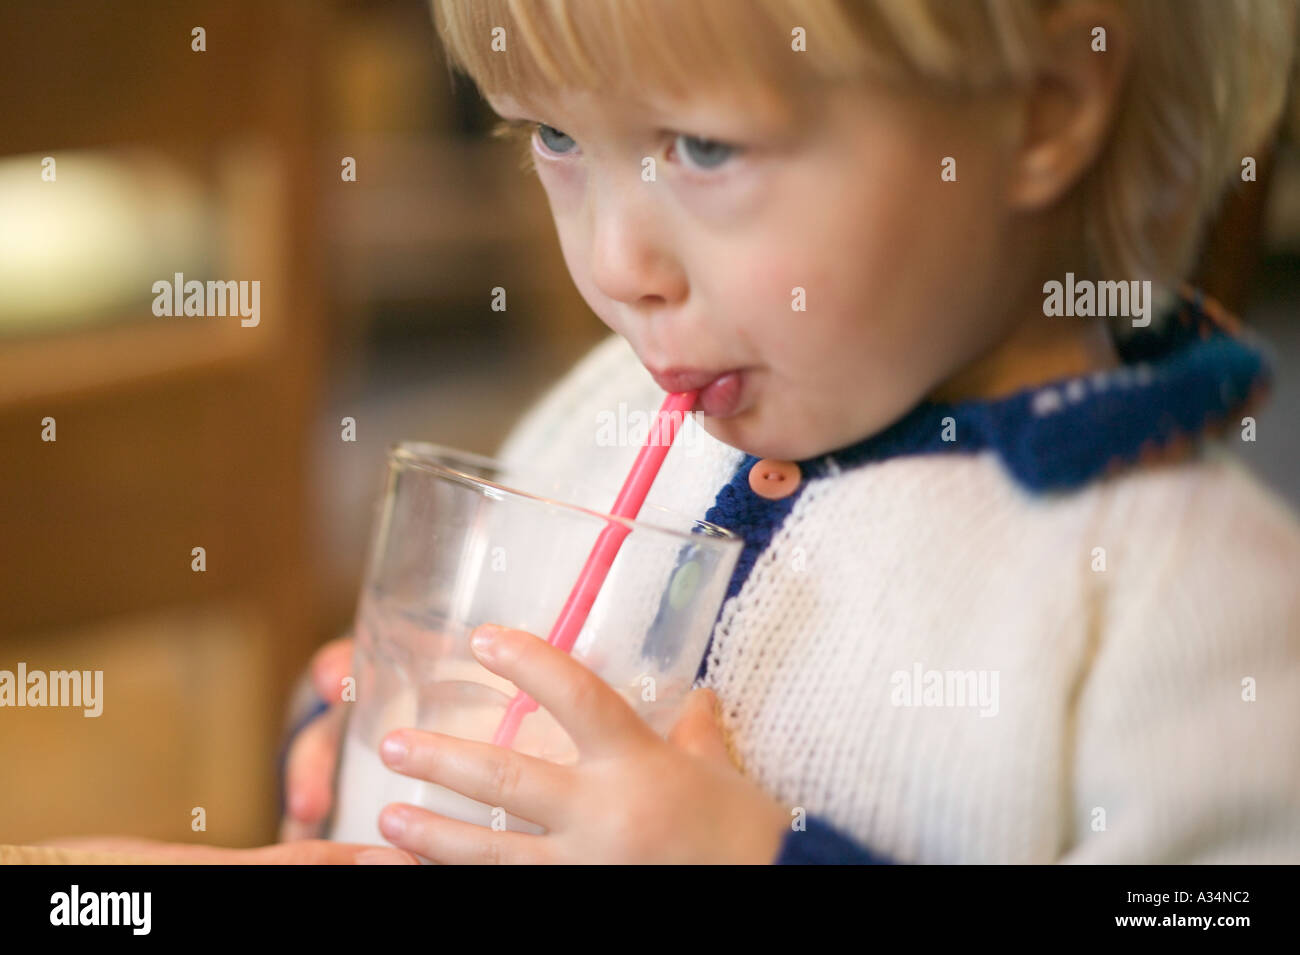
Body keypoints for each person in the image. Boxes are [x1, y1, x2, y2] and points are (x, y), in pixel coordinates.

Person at [279, 0, 1300, 863]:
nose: (614, 261)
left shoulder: (1186, 598)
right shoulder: (604, 412)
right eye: (554, 137)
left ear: (1043, 110)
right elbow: (470, 665)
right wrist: (358, 731)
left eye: (705, 148)